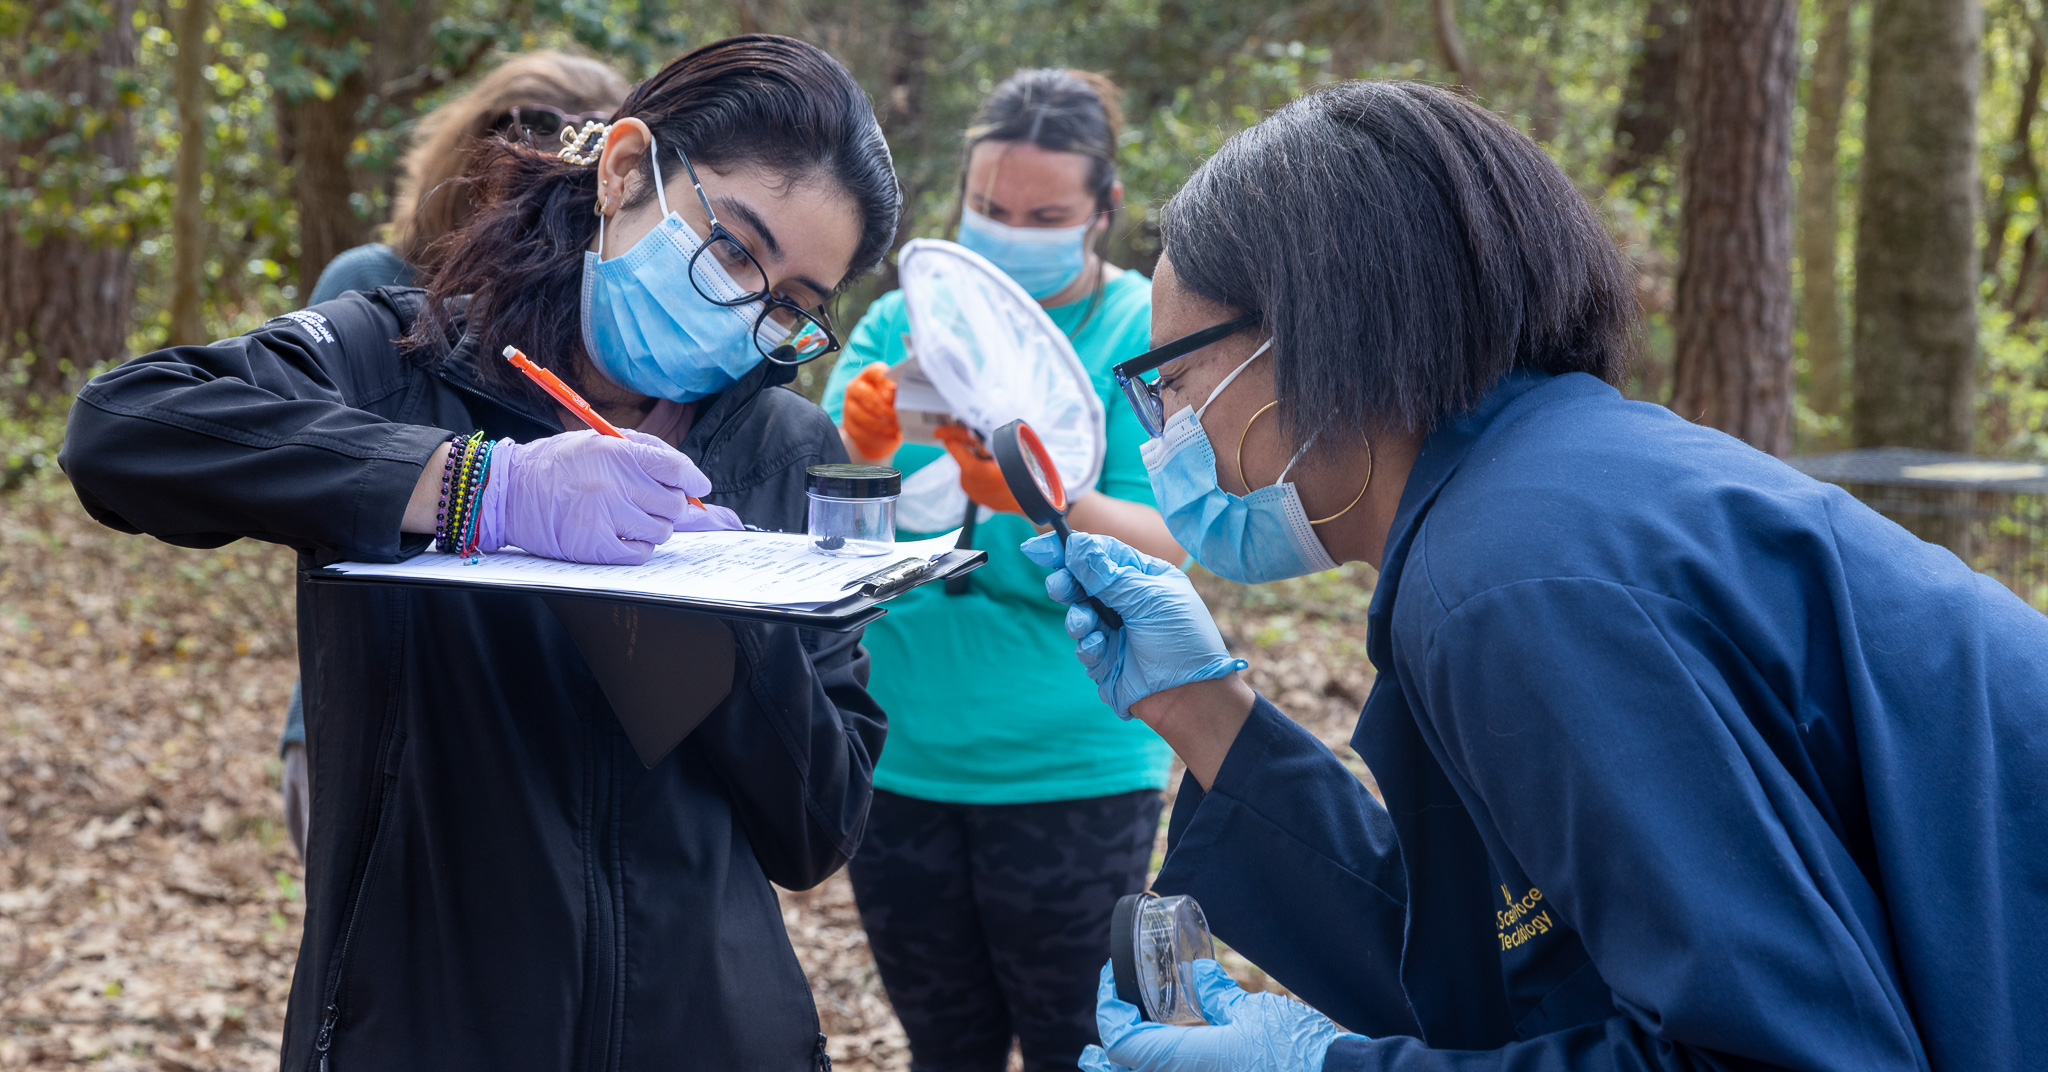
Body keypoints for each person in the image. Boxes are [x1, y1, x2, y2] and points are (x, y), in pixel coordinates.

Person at [1022, 81, 2048, 1071]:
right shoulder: (1534, 499)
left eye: (1173, 378)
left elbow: (1774, 1052)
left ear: (1316, 334)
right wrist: (1205, 710)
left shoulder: (1517, 582)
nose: (1168, 430)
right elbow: (1511, 965)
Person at [62, 34, 901, 1071]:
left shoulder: (784, 444)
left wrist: (721, 611)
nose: (745, 309)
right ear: (627, 169)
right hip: (421, 1023)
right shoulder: (399, 358)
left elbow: (816, 825)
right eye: (732, 247)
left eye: (791, 304)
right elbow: (124, 430)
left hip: (710, 1031)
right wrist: (479, 490)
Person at [815, 69, 1182, 1072]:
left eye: (1044, 213)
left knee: (1082, 1049)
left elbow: (1170, 540)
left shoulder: (1136, 332)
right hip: (898, 757)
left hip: (1072, 766)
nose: (1010, 227)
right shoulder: (900, 322)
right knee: (945, 1048)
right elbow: (824, 531)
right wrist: (855, 448)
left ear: (1102, 210)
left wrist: (1045, 494)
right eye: (987, 206)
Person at [281, 48, 632, 860]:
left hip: (540, 711)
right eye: (518, 161)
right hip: (374, 684)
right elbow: (308, 472)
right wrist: (486, 489)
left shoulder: (600, 325)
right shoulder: (375, 284)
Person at [307, 49, 630, 304]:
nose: (551, 223)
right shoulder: (369, 285)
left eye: (576, 199)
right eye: (525, 196)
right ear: (469, 165)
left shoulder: (603, 323)